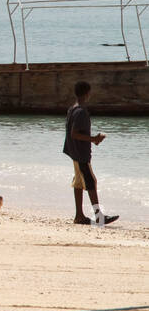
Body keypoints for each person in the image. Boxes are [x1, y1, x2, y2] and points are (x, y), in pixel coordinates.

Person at [64, 80, 118, 226]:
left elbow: (72, 134)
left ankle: (79, 216)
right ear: (87, 93)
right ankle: (99, 216)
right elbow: (75, 133)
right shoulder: (81, 111)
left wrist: (92, 139)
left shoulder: (72, 109)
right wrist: (94, 139)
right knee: (90, 182)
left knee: (78, 183)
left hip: (74, 152)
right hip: (81, 154)